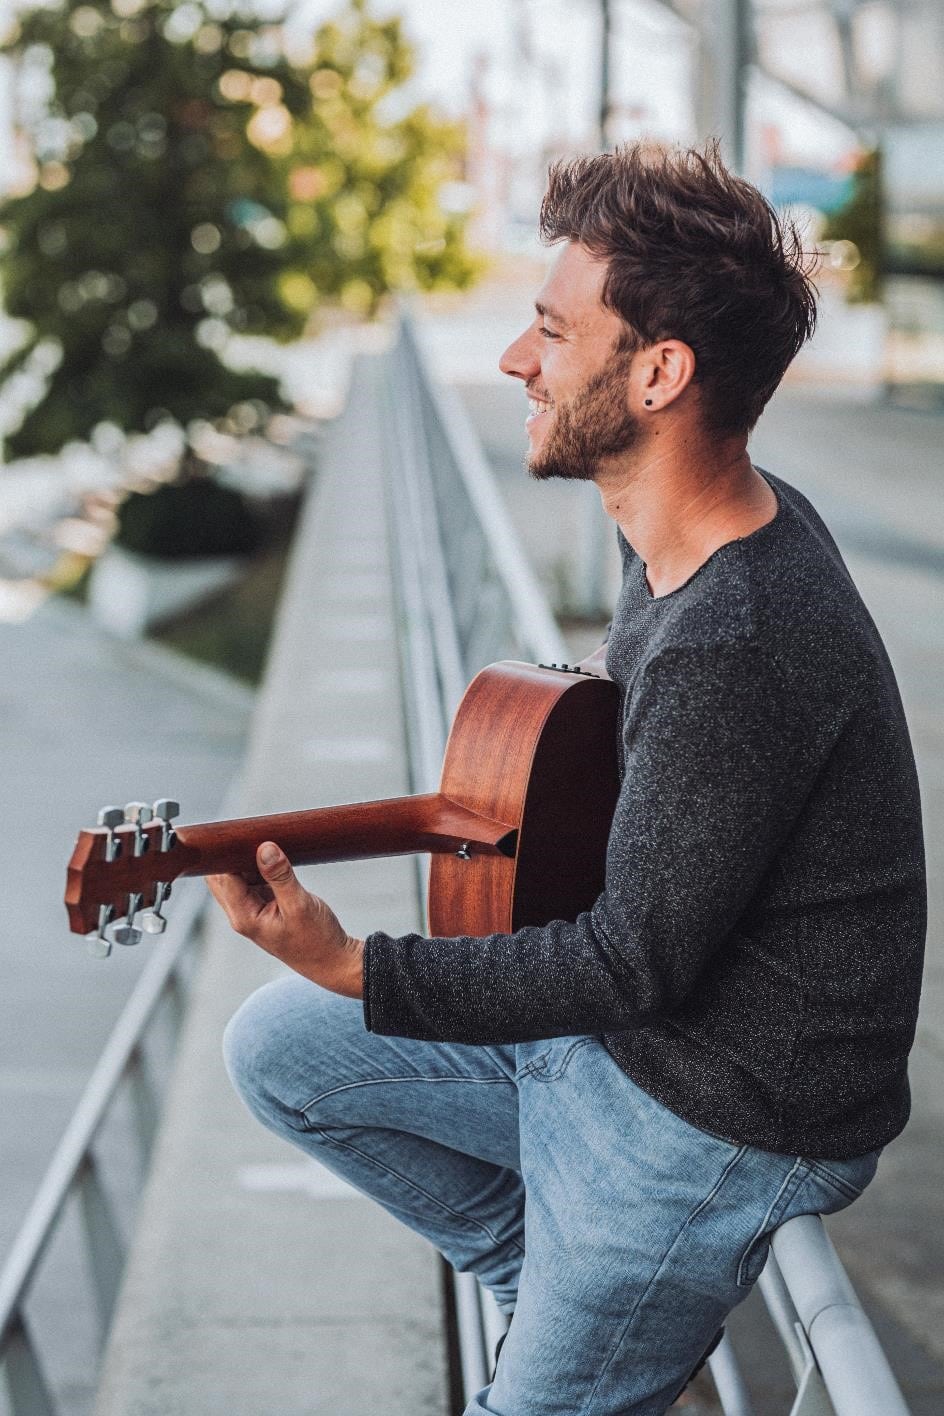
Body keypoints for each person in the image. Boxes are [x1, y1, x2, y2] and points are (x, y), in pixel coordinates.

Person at [209, 143, 926, 1415]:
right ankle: (539, 1274)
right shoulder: (677, 536)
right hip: (625, 1043)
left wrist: (356, 964)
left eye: (548, 330)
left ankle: (576, 1353)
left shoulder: (737, 639)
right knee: (278, 1052)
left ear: (658, 374)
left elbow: (623, 963)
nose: (511, 361)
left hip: (715, 1113)